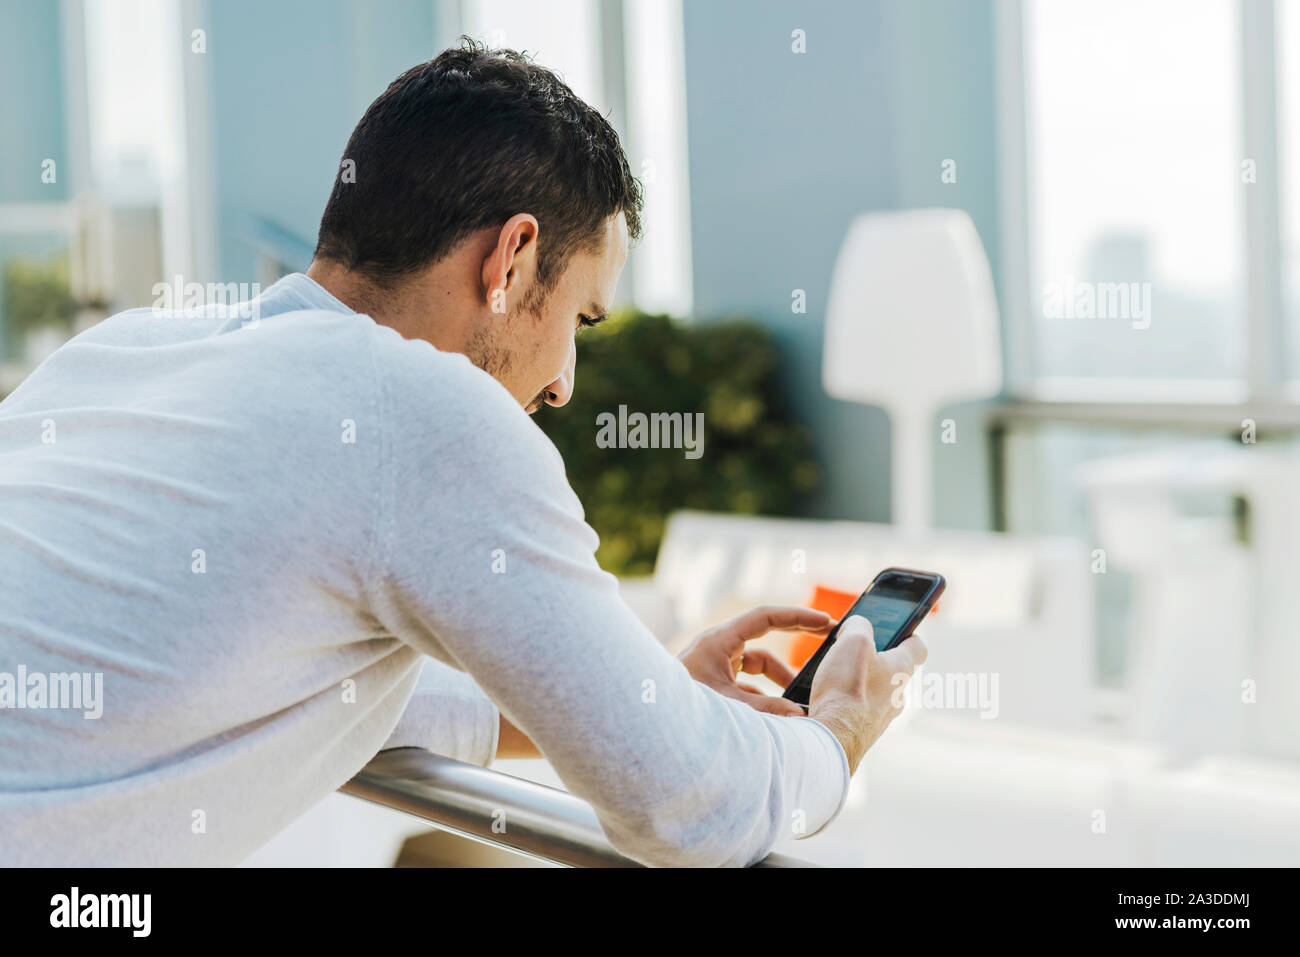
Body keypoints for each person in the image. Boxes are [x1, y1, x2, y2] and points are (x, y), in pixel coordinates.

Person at [0, 39, 925, 867]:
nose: (564, 381)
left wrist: (637, 697)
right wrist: (839, 734)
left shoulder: (120, 354)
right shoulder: (420, 410)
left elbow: (228, 673)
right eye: (583, 319)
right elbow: (690, 807)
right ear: (511, 259)